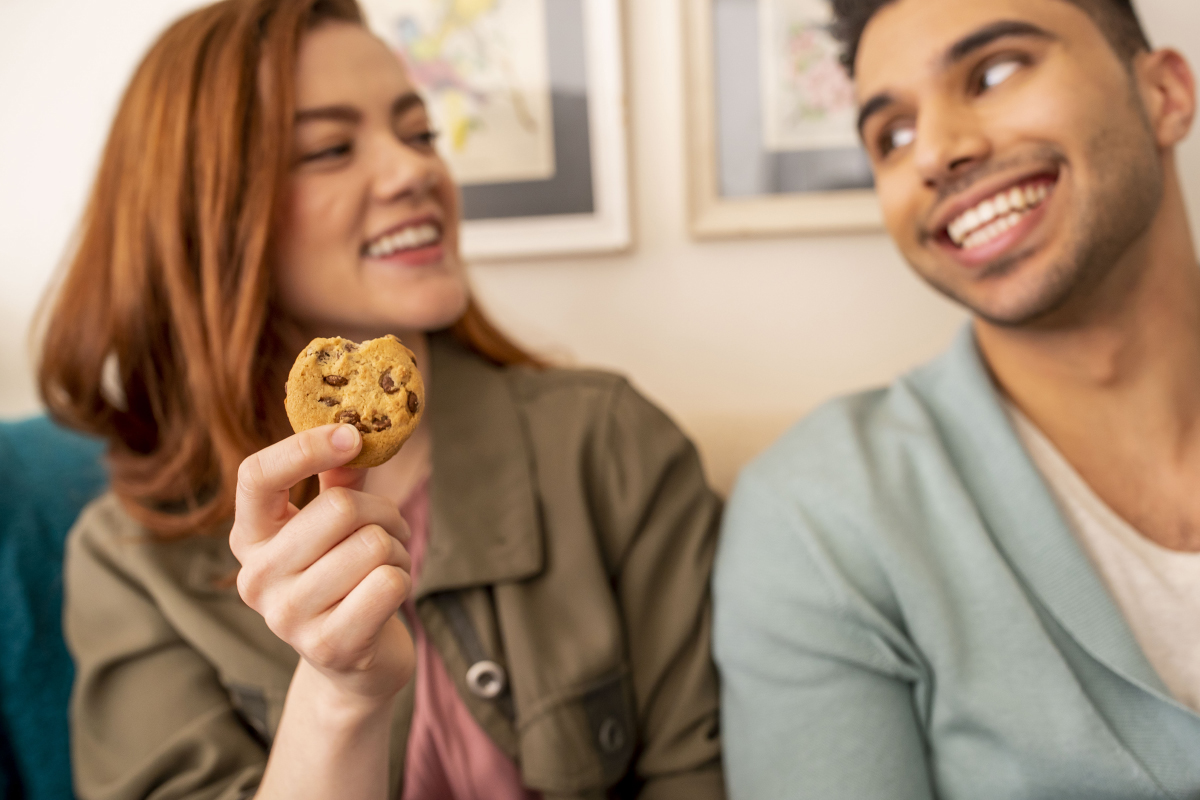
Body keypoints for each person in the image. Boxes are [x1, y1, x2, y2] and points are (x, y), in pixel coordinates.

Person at [38, 1, 724, 798]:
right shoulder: (128, 562)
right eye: (331, 148)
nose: (416, 172)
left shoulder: (611, 447)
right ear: (206, 217)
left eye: (419, 133)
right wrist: (339, 695)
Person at [714, 0, 1200, 797]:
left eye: (997, 71)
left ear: (1166, 95)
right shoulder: (820, 517)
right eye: (891, 136)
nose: (935, 152)